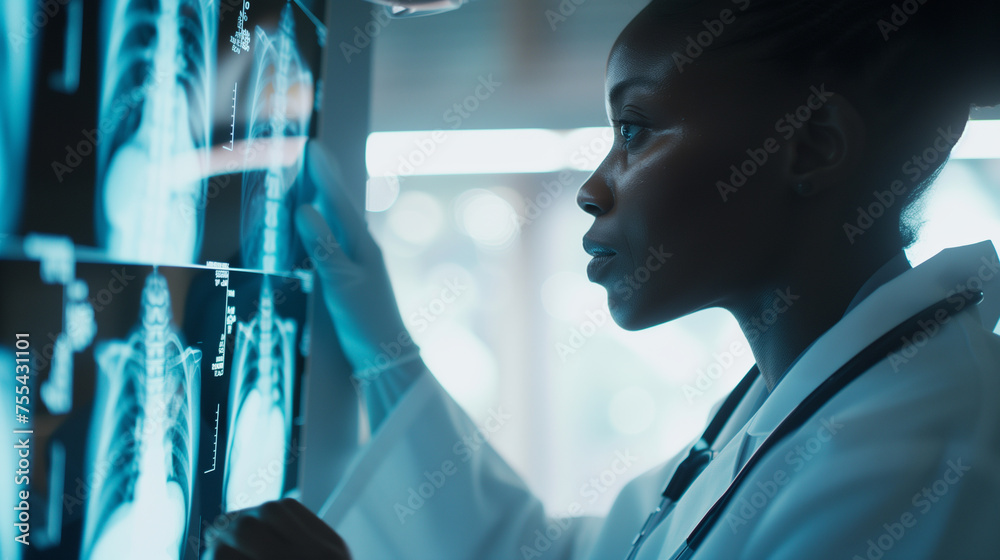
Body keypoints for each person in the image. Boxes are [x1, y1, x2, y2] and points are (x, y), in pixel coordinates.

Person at [203, 0, 1000, 558]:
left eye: (636, 129)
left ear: (814, 145)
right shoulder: (793, 406)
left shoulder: (921, 457)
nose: (592, 188)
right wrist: (389, 356)